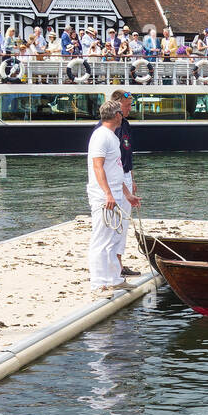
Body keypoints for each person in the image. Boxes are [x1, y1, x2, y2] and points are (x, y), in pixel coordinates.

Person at [88, 100, 138, 291]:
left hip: (116, 193)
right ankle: (98, 282)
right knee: (101, 239)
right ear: (117, 115)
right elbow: (97, 166)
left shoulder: (112, 136)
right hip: (104, 197)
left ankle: (114, 279)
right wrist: (107, 194)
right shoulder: (100, 136)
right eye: (121, 113)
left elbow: (116, 170)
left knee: (113, 239)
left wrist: (127, 195)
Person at [110, 89, 141, 277]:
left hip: (126, 174)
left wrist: (132, 179)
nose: (130, 109)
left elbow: (128, 154)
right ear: (117, 106)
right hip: (117, 177)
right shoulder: (111, 129)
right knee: (117, 222)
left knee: (125, 222)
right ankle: (115, 264)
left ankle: (119, 262)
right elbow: (114, 161)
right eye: (127, 106)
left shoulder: (126, 125)